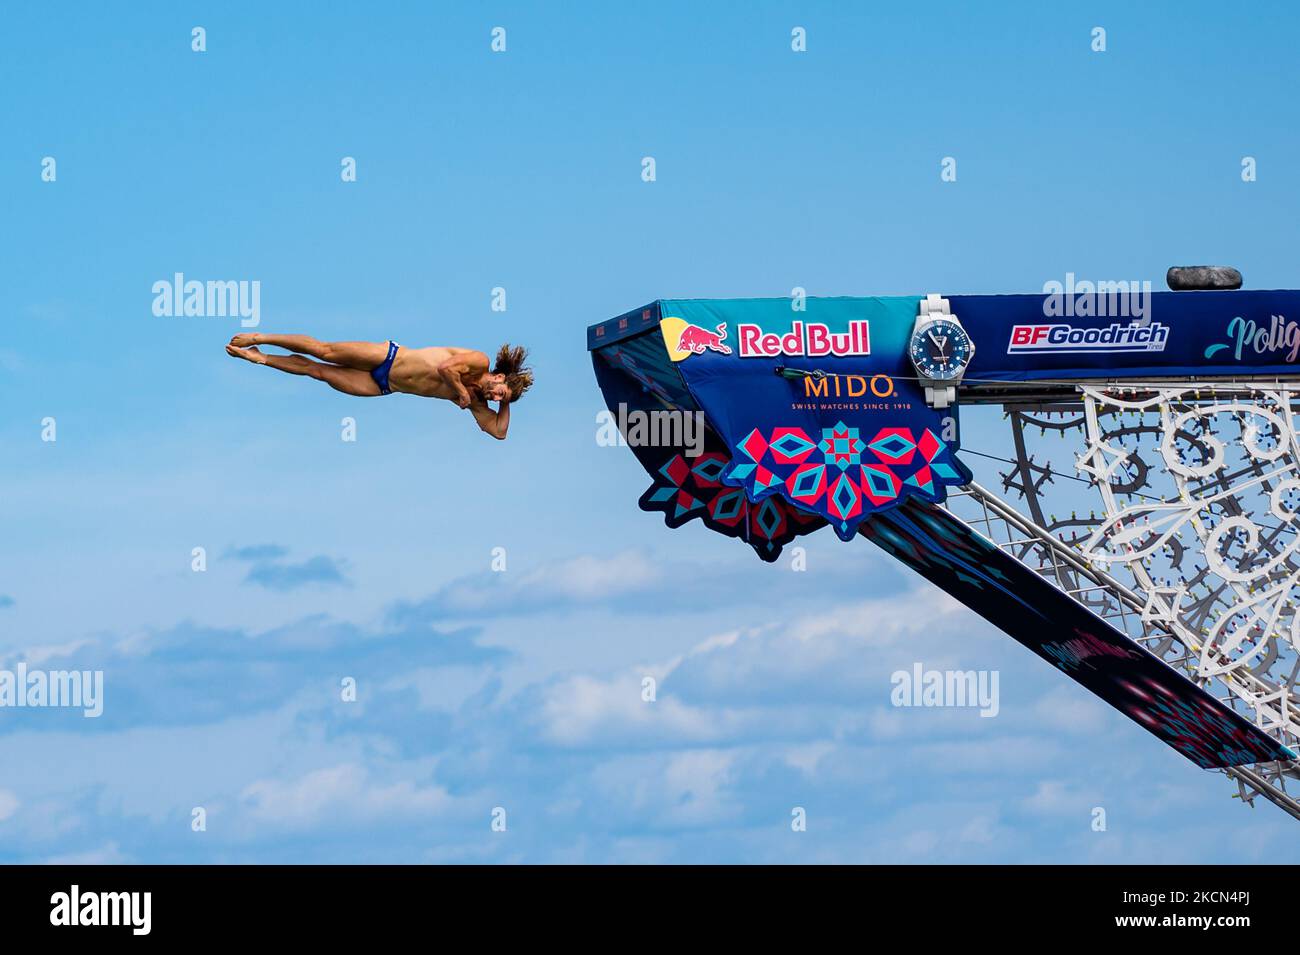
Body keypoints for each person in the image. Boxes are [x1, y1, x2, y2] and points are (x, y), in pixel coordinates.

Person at [226, 334, 532, 439]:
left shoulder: (483, 401)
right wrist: (463, 392)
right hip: (390, 356)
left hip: (384, 384)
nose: (491, 396)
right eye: (497, 390)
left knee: (318, 373)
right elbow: (445, 368)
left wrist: (507, 402)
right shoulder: (477, 362)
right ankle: (261, 338)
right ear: (499, 375)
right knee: (324, 351)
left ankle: (260, 358)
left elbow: (498, 432)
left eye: (497, 398)